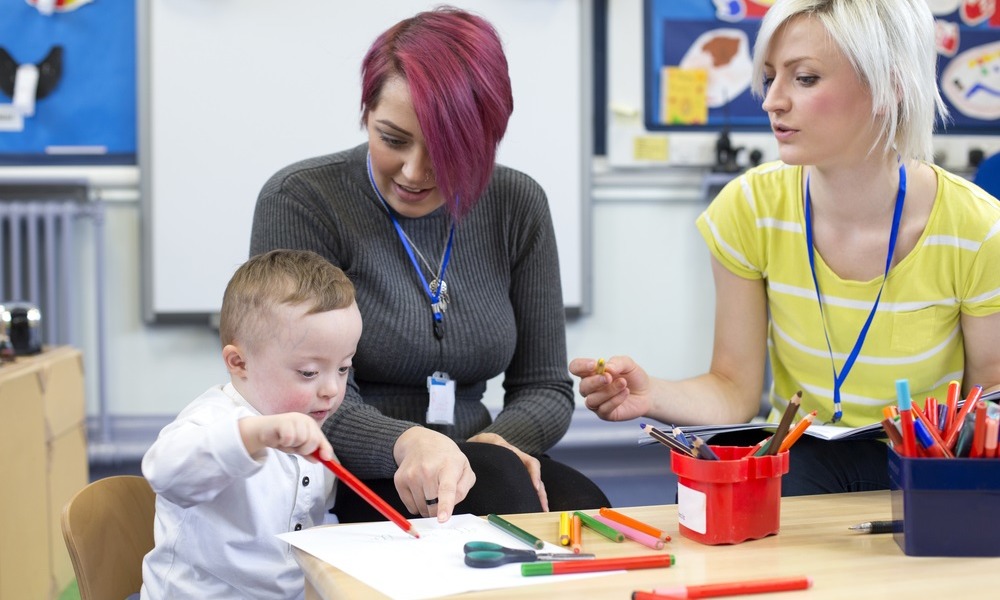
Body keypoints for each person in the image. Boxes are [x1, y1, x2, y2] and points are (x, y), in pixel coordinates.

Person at [572, 0, 1000, 496]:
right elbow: (734, 391)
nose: (772, 100)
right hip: (800, 460)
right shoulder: (750, 207)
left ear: (892, 87)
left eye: (805, 78)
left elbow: (983, 407)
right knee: (728, 494)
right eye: (771, 76)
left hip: (923, 466)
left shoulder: (977, 227)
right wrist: (650, 394)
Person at [249, 6, 609, 523]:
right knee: (504, 494)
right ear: (366, 113)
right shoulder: (301, 200)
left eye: (446, 150)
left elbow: (545, 388)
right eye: (392, 139)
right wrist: (410, 442)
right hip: (348, 466)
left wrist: (492, 444)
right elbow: (303, 395)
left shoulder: (517, 203)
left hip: (477, 455)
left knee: (585, 508)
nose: (414, 172)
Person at [140, 249, 362, 599]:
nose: (333, 390)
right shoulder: (212, 419)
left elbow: (306, 525)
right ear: (239, 362)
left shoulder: (309, 425)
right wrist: (254, 436)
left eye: (344, 368)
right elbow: (164, 472)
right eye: (308, 372)